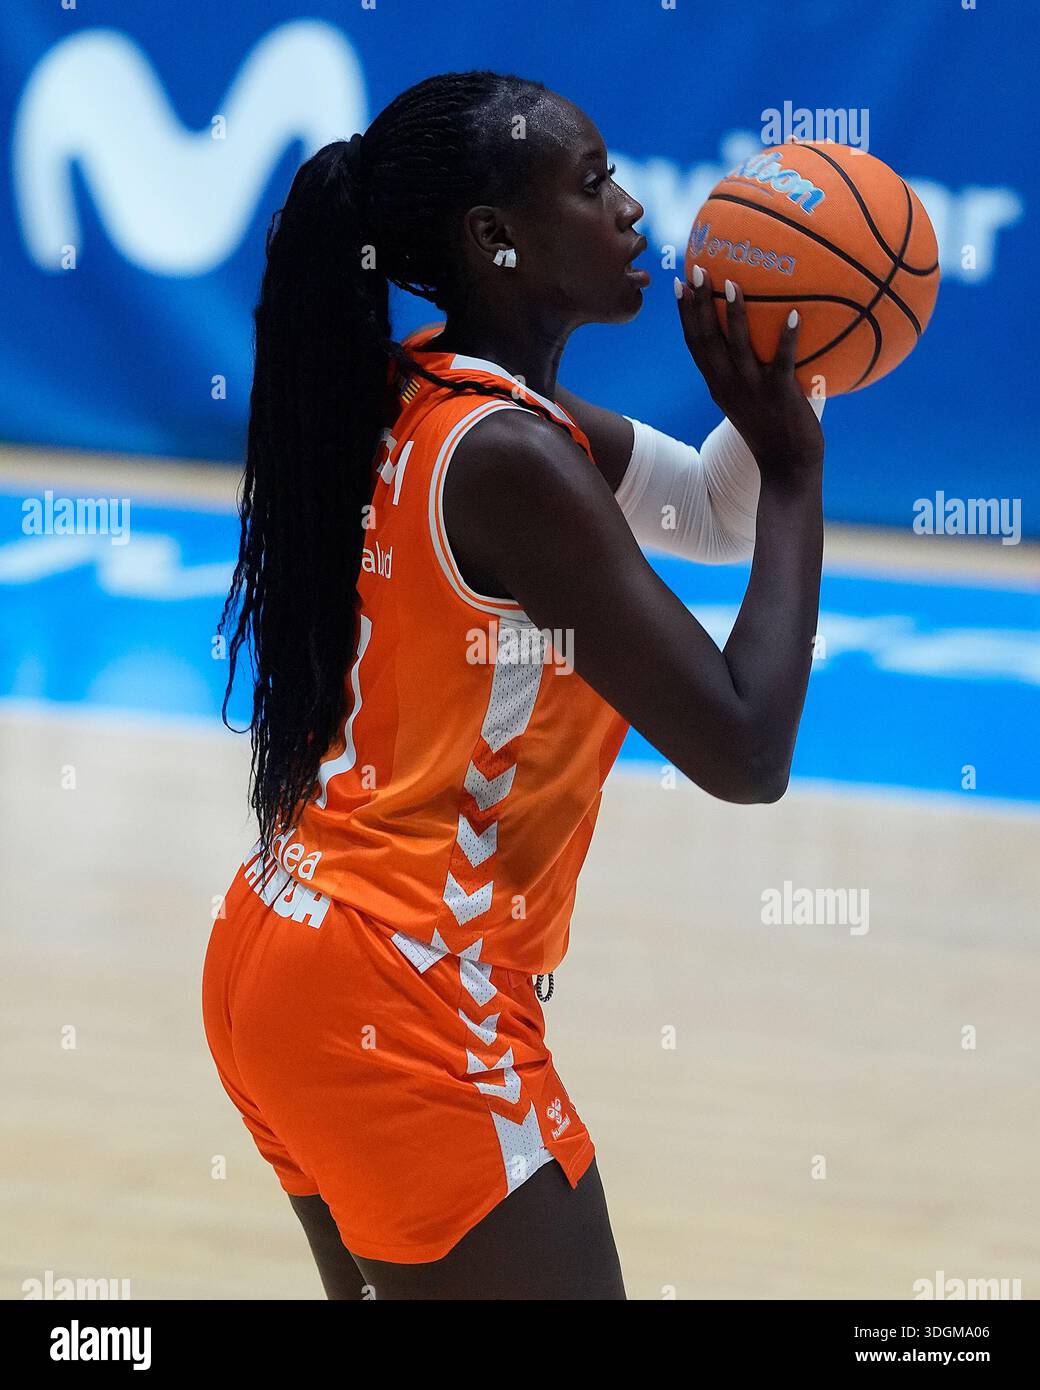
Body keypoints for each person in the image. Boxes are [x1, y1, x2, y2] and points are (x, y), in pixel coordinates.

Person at [202, 70, 825, 1300]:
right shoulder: (514, 463)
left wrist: (782, 392)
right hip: (405, 987)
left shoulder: (439, 395)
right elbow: (747, 748)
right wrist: (801, 486)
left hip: (279, 950)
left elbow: (702, 509)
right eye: (592, 185)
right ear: (496, 240)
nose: (633, 209)